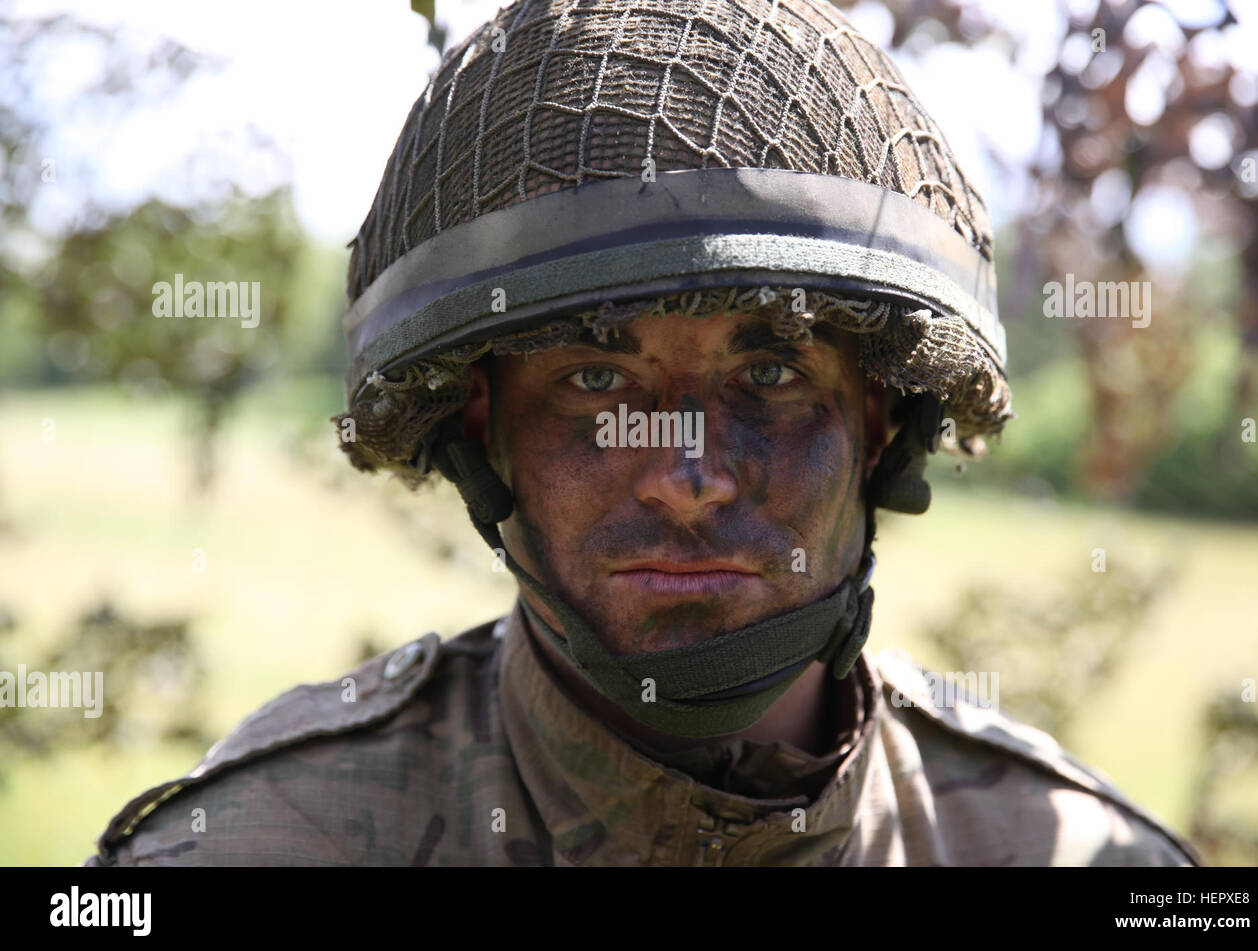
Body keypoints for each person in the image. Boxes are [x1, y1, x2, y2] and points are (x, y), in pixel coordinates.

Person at [87, 0, 1199, 866]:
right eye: (592, 376)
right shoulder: (261, 844)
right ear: (484, 428)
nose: (688, 477)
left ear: (877, 419)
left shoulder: (1065, 852)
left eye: (768, 371)